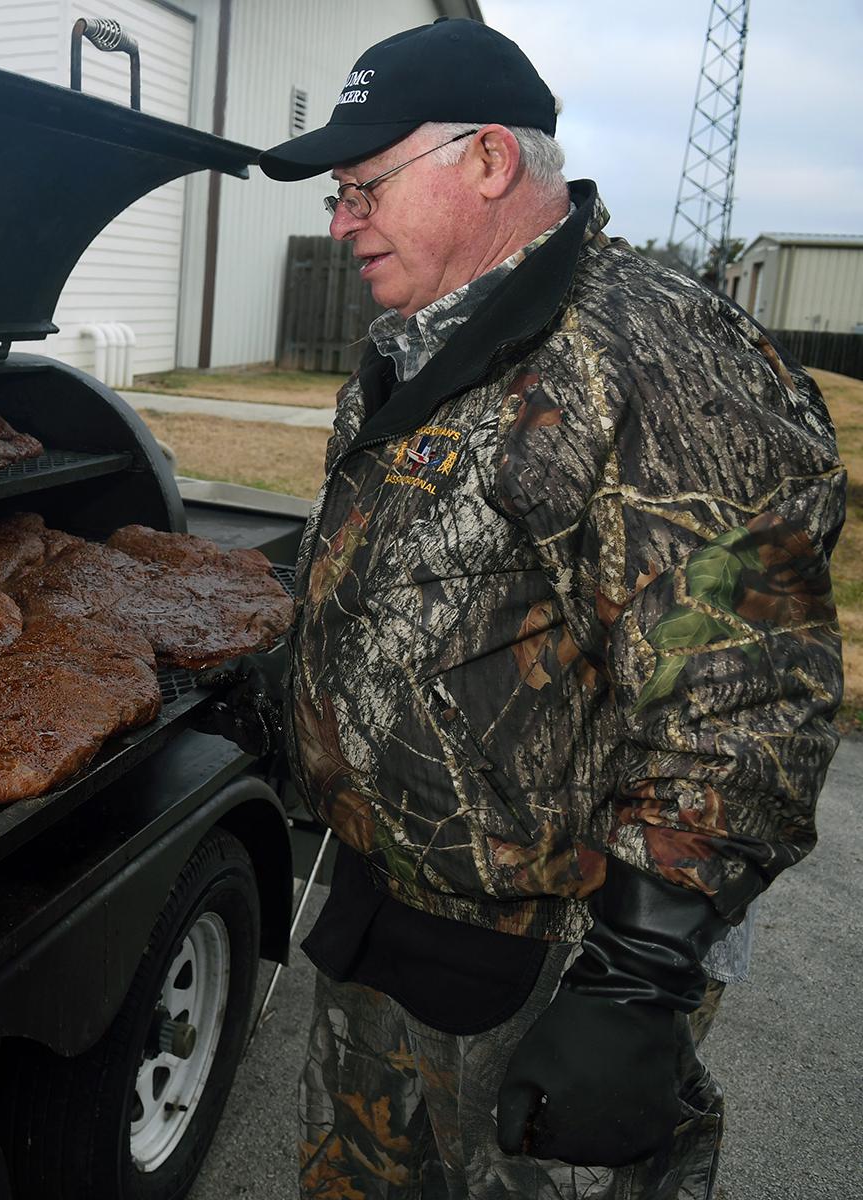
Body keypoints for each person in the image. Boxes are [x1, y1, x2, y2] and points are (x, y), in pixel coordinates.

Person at [203, 16, 844, 1199]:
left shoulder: (662, 359)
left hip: (549, 973)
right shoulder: (420, 341)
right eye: (338, 192)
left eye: (361, 187)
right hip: (384, 927)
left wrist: (636, 984)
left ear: (490, 161)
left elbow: (744, 693)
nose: (338, 220)